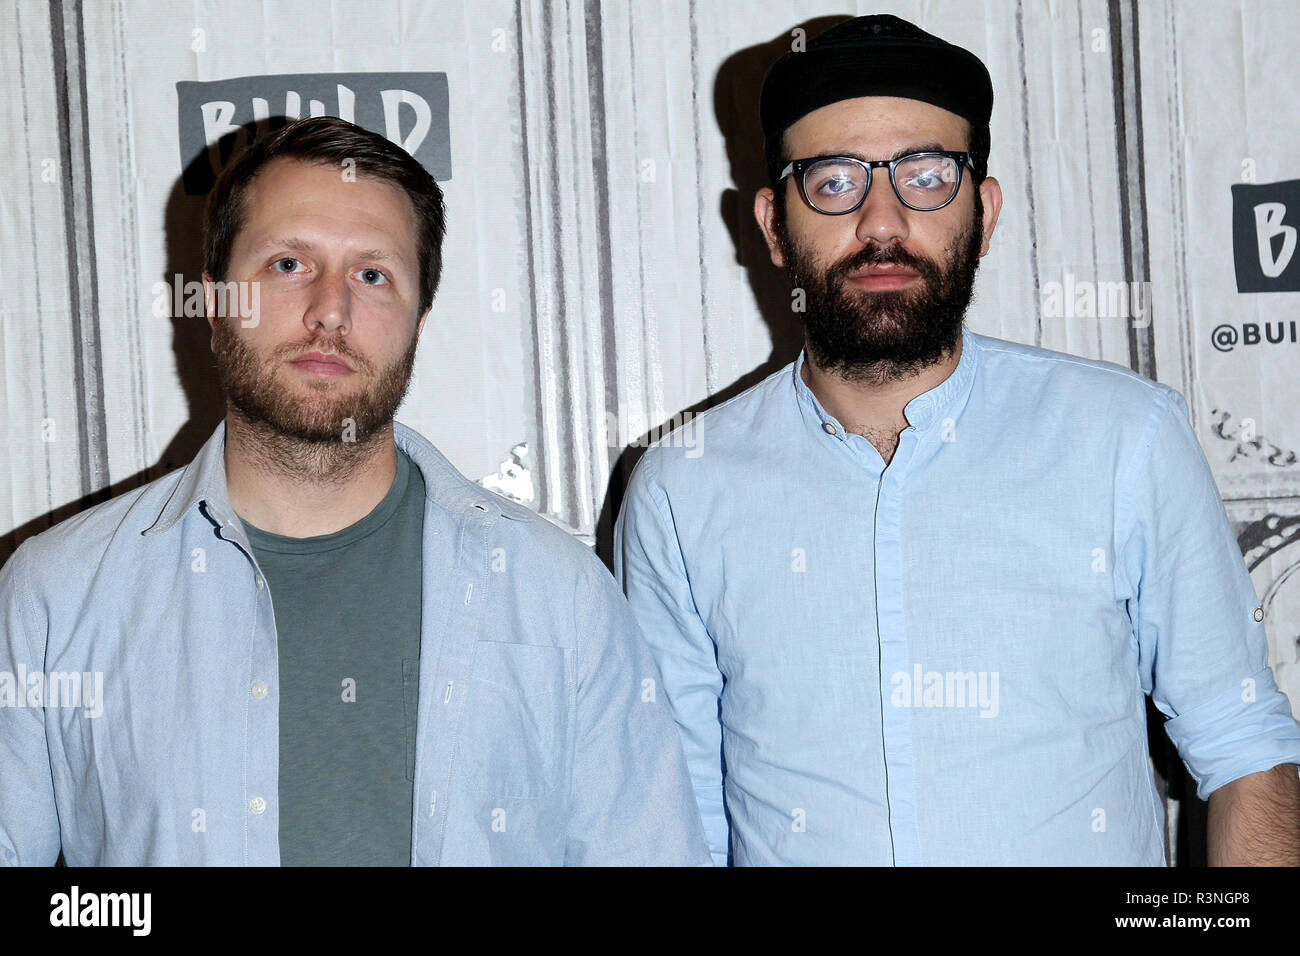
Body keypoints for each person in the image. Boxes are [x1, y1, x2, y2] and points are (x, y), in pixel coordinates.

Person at [614, 14, 1300, 865]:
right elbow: (675, 815)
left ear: (985, 208)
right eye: (832, 181)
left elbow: (1245, 753)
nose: (882, 221)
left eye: (927, 175)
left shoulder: (1126, 439)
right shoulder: (684, 487)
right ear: (773, 222)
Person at [0, 116, 709, 867]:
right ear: (213, 302)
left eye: (372, 275)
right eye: (286, 264)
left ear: (418, 321)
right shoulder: (56, 596)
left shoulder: (559, 596)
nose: (330, 311)